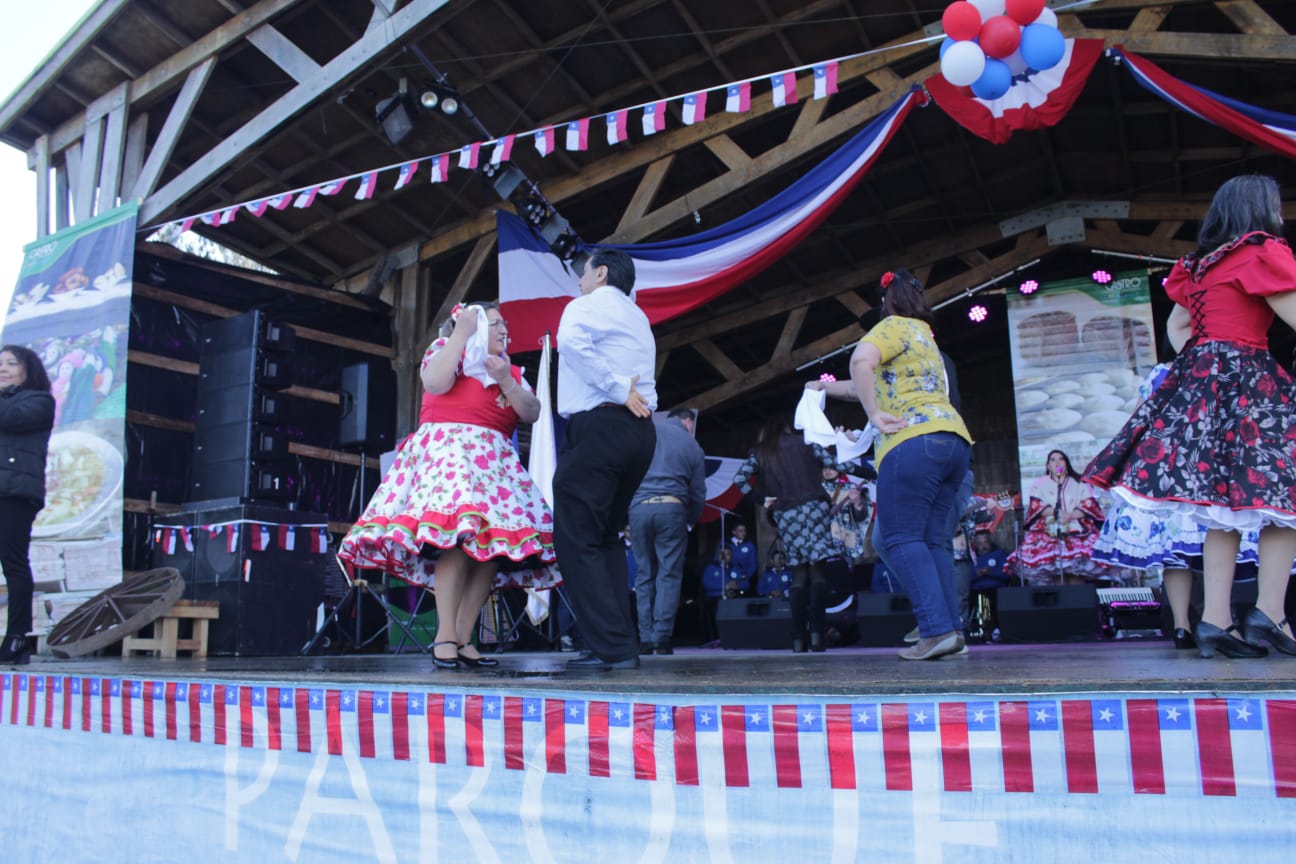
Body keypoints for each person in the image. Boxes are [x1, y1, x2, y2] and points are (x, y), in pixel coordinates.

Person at [1085, 174, 1296, 659]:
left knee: (1219, 507)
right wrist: (1235, 359)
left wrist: (1206, 363)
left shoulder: (1200, 265)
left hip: (1201, 382)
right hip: (1248, 377)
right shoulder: (1261, 251)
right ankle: (1269, 610)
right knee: (1284, 494)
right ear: (1258, 207)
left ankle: (1215, 621)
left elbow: (1178, 324)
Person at [337, 302, 558, 670]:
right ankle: (444, 637)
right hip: (452, 463)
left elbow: (532, 413)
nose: (506, 331)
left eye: (505, 326)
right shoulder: (447, 352)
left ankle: (462, 636)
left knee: (489, 554)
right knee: (455, 544)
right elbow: (435, 382)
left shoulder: (513, 372)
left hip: (494, 470)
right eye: (497, 324)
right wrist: (460, 332)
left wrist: (504, 378)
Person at [813, 268, 973, 660]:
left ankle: (934, 630)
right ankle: (950, 630)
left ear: (886, 302)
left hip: (911, 442)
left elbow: (859, 362)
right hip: (953, 441)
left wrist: (874, 413)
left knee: (899, 539)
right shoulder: (925, 338)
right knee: (934, 540)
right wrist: (822, 388)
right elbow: (866, 379)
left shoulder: (892, 326)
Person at [552, 248, 658, 671]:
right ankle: (616, 643)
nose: (578, 281)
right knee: (606, 535)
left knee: (576, 536)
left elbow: (569, 343)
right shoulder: (639, 317)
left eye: (583, 273)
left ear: (600, 273)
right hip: (639, 431)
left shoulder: (585, 305)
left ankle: (612, 645)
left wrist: (616, 387)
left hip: (605, 422)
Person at [734, 415, 842, 652]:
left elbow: (739, 479)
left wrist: (761, 500)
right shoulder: (806, 442)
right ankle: (816, 635)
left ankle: (797, 638)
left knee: (799, 574)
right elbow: (836, 464)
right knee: (818, 572)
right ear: (787, 428)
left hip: (786, 513)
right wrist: (871, 471)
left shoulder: (760, 451)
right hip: (814, 509)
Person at [629, 407, 707, 655]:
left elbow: (626, 473)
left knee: (644, 574)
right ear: (687, 421)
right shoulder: (691, 445)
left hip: (639, 508)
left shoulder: (643, 434)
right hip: (672, 508)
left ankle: (644, 637)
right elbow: (698, 492)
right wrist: (691, 519)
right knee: (669, 574)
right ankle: (661, 638)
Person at [0, 347, 54, 666]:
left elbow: (12, 419)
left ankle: (18, 638)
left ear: (27, 369)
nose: (3, 368)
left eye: (10, 363)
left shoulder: (38, 400)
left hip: (16, 493)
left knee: (13, 562)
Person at [1009, 450, 1108, 585]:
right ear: (1048, 465)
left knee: (1075, 574)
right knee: (1056, 575)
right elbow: (1036, 506)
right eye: (1053, 460)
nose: (1057, 463)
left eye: (1061, 459)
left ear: (1066, 463)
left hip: (1077, 530)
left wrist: (1071, 515)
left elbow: (1089, 505)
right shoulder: (1040, 483)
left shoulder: (1080, 482)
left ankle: (1079, 605)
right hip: (1050, 529)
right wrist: (1057, 512)